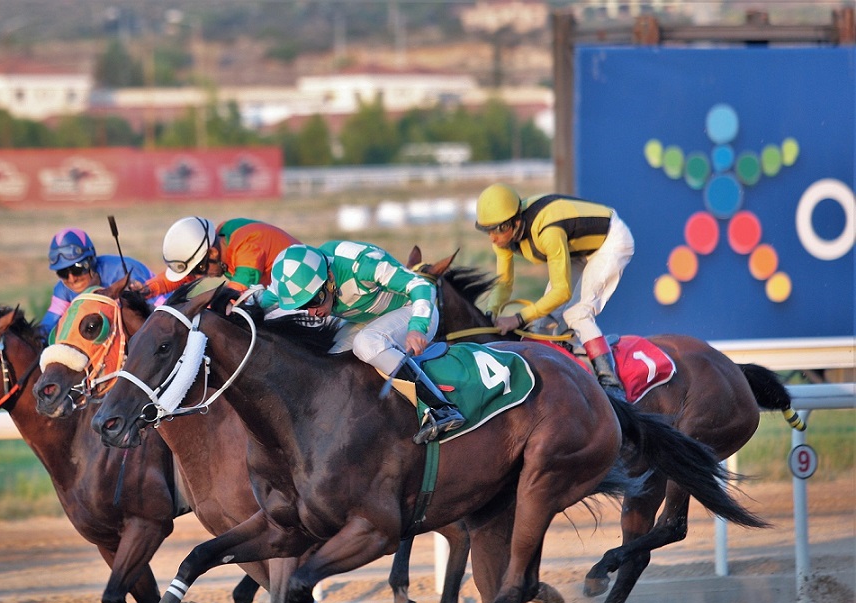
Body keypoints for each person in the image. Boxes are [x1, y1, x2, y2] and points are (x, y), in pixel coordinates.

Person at [258, 240, 465, 444]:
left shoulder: (362, 265)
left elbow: (421, 285)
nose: (313, 312)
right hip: (370, 320)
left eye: (315, 300)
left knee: (366, 344)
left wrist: (417, 327)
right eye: (303, 306)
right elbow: (260, 301)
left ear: (330, 277)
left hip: (415, 312)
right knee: (328, 356)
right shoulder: (298, 281)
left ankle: (440, 407)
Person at [474, 182, 634, 400]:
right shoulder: (503, 238)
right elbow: (504, 283)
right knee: (542, 324)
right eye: (488, 230)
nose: (493, 238)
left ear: (516, 221)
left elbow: (561, 292)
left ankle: (611, 384)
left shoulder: (548, 230)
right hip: (576, 249)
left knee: (576, 314)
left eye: (499, 229)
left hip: (610, 241)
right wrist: (490, 312)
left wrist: (518, 319)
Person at [38, 227, 155, 340]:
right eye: (62, 272)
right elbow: (47, 327)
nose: (72, 279)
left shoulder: (123, 269)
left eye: (77, 269)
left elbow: (160, 308)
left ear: (91, 261)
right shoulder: (63, 289)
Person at [140, 216, 300, 299]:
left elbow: (236, 293)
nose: (200, 275)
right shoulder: (221, 239)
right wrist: (146, 290)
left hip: (306, 294)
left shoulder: (247, 246)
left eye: (200, 268)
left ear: (212, 253)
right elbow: (182, 277)